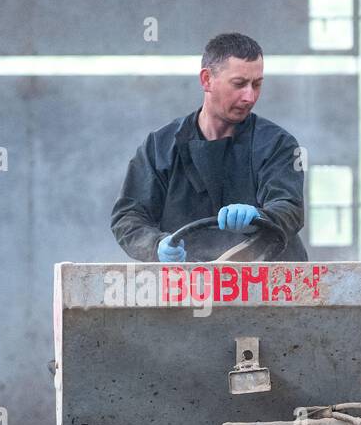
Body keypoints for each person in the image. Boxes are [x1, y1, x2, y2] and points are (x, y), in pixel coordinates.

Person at [111, 32, 307, 262]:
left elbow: (290, 207)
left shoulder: (278, 145)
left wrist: (261, 217)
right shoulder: (159, 148)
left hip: (269, 288)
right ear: (206, 79)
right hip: (188, 288)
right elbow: (128, 217)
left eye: (257, 84)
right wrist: (155, 246)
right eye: (239, 84)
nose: (249, 96)